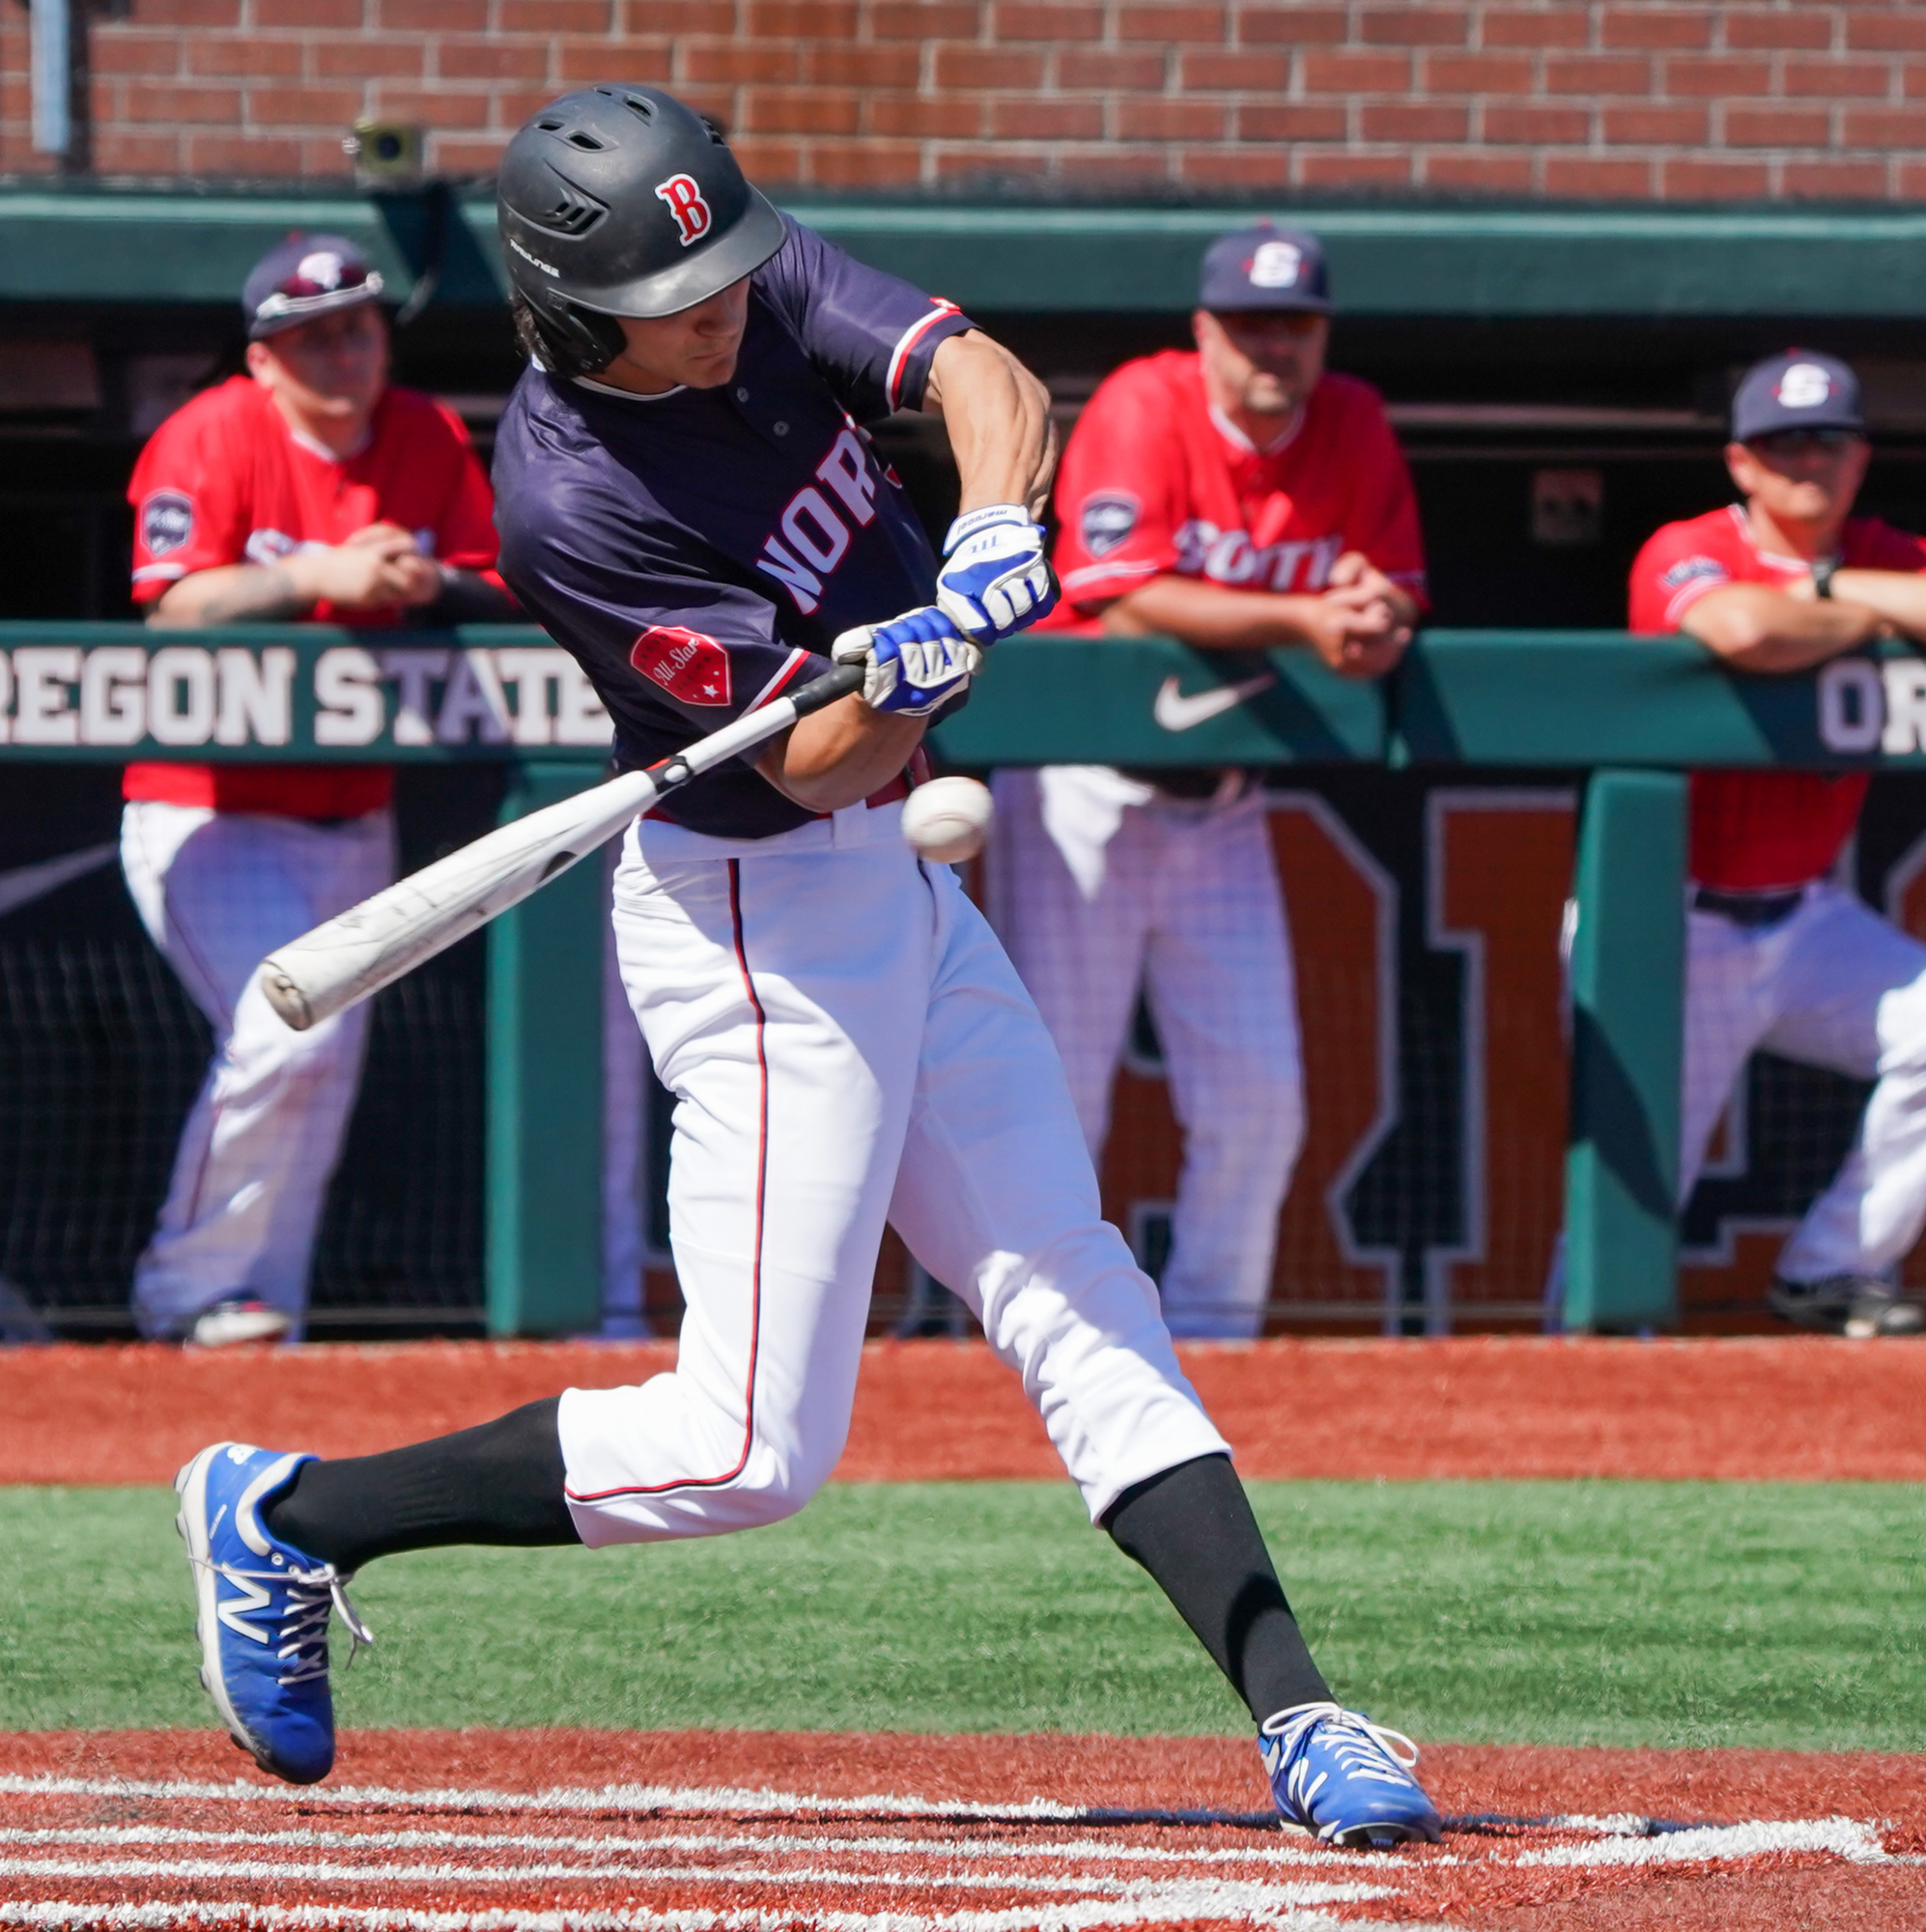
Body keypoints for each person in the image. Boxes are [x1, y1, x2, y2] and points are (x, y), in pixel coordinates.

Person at [170, 87, 1442, 1851]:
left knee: (1075, 1287)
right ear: (567, 309)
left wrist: (990, 530)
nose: (722, 312)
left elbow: (979, 377)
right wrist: (905, 678)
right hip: (757, 921)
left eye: (722, 277)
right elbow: (811, 764)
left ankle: (1299, 1715)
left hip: (900, 893)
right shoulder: (569, 505)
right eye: (674, 302)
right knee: (743, 1452)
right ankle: (291, 1515)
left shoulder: (736, 278)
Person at [991, 226, 1424, 1338]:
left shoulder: (1355, 420)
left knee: (1259, 1102)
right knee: (1061, 1098)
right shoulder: (1146, 402)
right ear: (1204, 330)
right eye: (1249, 324)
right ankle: (1037, 1340)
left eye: (1295, 323)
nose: (1272, 345)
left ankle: (1213, 1339)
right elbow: (1122, 596)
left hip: (1221, 799)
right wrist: (1309, 616)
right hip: (1089, 787)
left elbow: (1393, 587)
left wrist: (1378, 618)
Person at [125, 234, 512, 1348]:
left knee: (322, 1060)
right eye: (314, 336)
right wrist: (309, 577)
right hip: (208, 810)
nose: (345, 351)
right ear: (263, 357)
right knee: (283, 1035)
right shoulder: (210, 433)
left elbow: (498, 578)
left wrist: (426, 579)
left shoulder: (427, 432)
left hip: (355, 810)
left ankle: (259, 1317)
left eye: (359, 324)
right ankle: (184, 1293)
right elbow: (173, 605)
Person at [1629, 349, 1926, 1339]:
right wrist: (1862, 601)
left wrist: (1838, 585)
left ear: (1858, 456)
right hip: (1668, 923)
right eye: (1782, 441)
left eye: (1826, 439)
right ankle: (1553, 1384)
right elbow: (1739, 626)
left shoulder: (1884, 547)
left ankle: (1828, 1267)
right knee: (1630, 1202)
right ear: (1740, 462)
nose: (1806, 458)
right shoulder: (1686, 543)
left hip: (1801, 917)